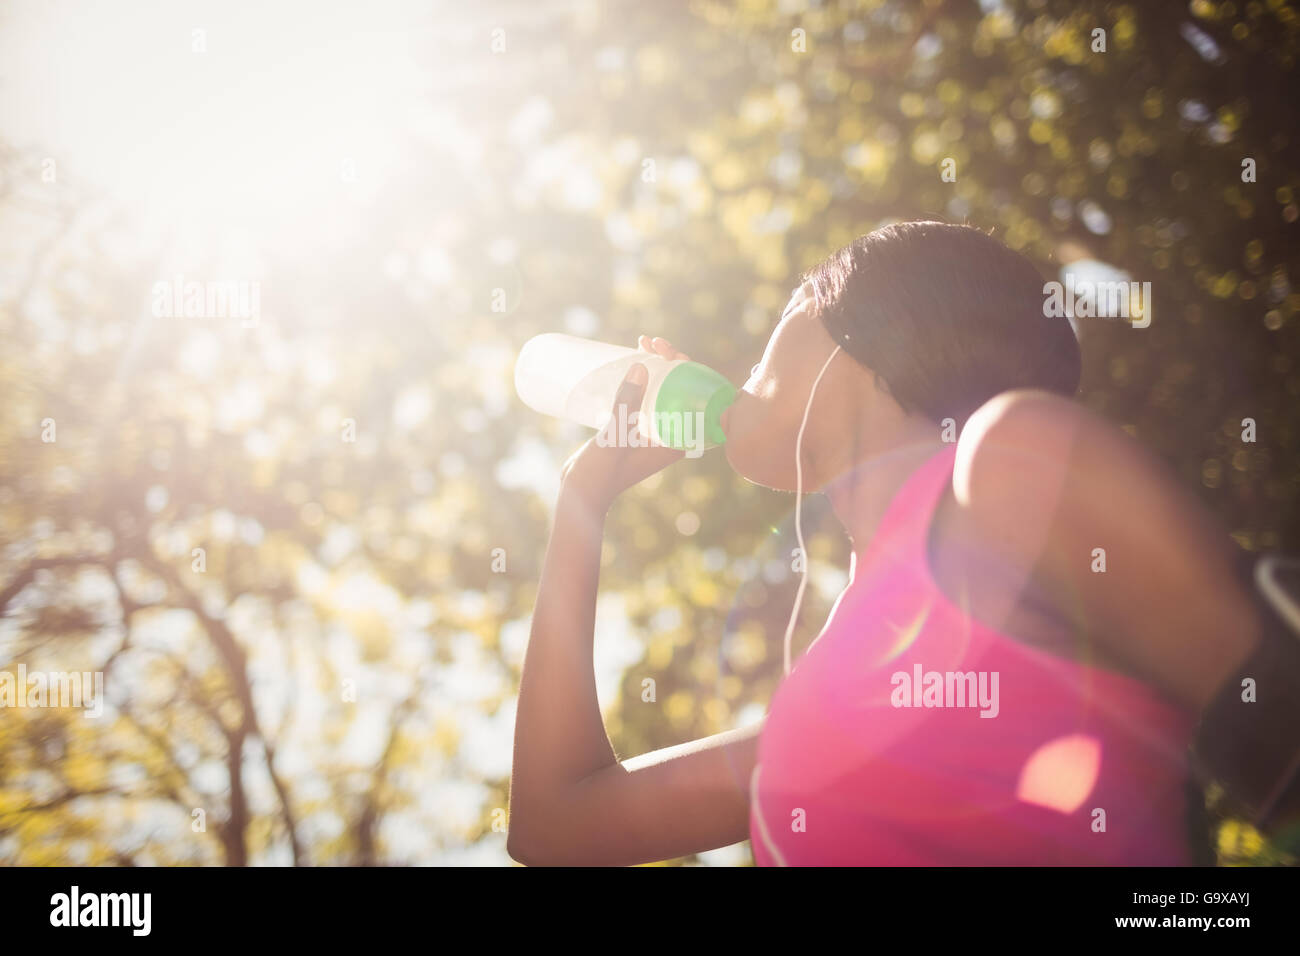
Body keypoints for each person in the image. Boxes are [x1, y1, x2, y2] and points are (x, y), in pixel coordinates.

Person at [506, 220, 1279, 866]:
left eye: (788, 312)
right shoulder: (827, 700)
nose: (746, 369)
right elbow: (556, 822)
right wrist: (583, 500)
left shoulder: (1017, 465)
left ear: (864, 337)